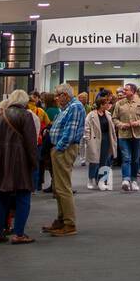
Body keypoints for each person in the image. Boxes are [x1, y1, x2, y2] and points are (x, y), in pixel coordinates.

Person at [0, 90, 38, 244]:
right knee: (23, 196)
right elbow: (30, 142)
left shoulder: (1, 116)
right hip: (19, 161)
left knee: (2, 197)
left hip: (1, 160)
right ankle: (19, 234)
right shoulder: (26, 115)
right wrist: (34, 162)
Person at [44, 84, 86, 236]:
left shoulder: (75, 107)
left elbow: (70, 131)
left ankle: (69, 223)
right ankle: (61, 219)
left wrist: (59, 148)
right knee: (58, 187)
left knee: (63, 187)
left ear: (66, 95)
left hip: (64, 150)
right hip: (59, 149)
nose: (56, 98)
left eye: (58, 94)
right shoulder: (67, 107)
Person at [112, 83, 140, 192]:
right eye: (123, 90)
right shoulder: (119, 103)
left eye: (126, 90)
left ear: (133, 91)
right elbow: (114, 118)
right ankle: (125, 179)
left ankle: (134, 180)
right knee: (126, 158)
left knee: (135, 159)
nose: (123, 92)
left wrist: (138, 123)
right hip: (123, 135)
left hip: (138, 135)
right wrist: (121, 125)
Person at [85, 94, 117, 190]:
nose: (108, 105)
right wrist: (88, 139)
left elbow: (112, 128)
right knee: (94, 161)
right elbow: (87, 128)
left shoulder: (108, 114)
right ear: (101, 105)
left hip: (107, 139)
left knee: (105, 161)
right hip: (95, 140)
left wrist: (114, 138)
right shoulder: (91, 115)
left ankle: (102, 180)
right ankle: (91, 179)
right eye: (106, 103)